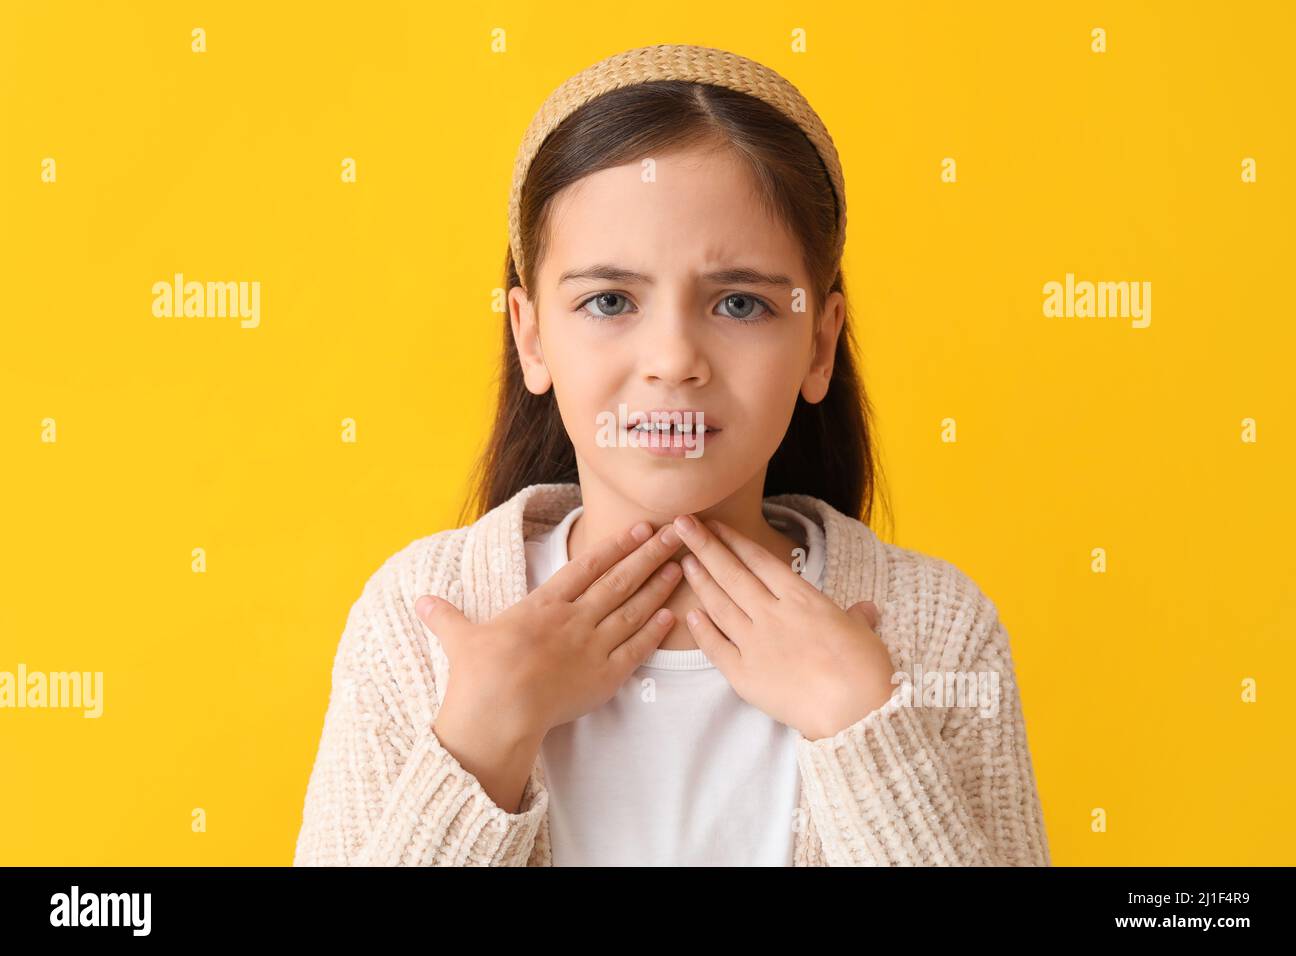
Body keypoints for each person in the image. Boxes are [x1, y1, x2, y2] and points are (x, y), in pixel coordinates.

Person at [292, 43, 1051, 867]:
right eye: (609, 300)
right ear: (531, 337)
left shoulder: (937, 631)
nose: (673, 358)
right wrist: (481, 741)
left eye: (739, 303)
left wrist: (865, 730)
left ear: (819, 345)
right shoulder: (416, 627)